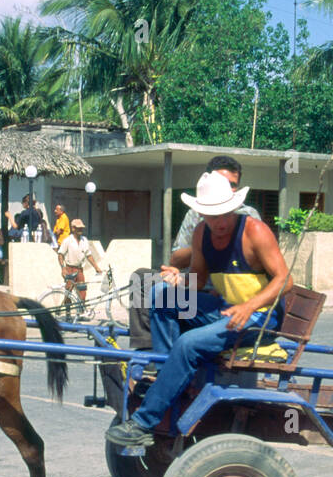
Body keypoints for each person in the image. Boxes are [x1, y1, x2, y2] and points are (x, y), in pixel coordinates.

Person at [106, 171, 290, 447]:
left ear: (234, 207)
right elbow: (200, 279)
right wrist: (179, 280)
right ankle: (168, 379)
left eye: (225, 213)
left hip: (260, 316)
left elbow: (285, 280)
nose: (220, 222)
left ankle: (144, 423)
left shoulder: (255, 231)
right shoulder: (201, 234)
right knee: (161, 296)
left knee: (188, 343)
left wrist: (249, 306)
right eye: (212, 215)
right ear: (201, 214)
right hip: (227, 309)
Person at [129, 155, 261, 349]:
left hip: (216, 296)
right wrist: (200, 246)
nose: (229, 189)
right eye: (224, 183)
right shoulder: (195, 213)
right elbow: (176, 258)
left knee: (163, 296)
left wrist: (212, 240)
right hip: (193, 284)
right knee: (141, 278)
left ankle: (166, 358)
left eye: (234, 185)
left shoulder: (247, 217)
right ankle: (146, 347)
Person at [58, 218, 104, 309]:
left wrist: (96, 267)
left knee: (82, 291)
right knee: (68, 292)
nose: (80, 230)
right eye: (78, 228)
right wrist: (63, 268)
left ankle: (82, 311)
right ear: (73, 228)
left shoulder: (84, 240)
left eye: (81, 228)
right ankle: (68, 313)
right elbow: (60, 255)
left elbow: (88, 255)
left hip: (79, 270)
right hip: (69, 269)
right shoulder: (67, 240)